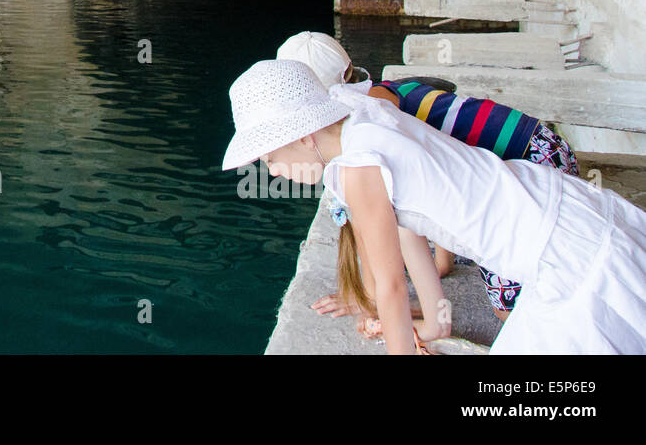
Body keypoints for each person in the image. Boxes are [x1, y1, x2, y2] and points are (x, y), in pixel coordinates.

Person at [222, 58, 646, 354]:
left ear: (302, 134)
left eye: (270, 158)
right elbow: (411, 225)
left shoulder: (356, 168)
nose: (274, 171)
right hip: (568, 209)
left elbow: (389, 286)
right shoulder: (366, 113)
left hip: (561, 252)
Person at [277, 31, 579, 321]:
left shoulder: (376, 117)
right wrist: (441, 264)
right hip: (537, 148)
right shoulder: (375, 97)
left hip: (534, 162)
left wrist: (372, 299)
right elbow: (438, 186)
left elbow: (375, 215)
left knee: (509, 310)